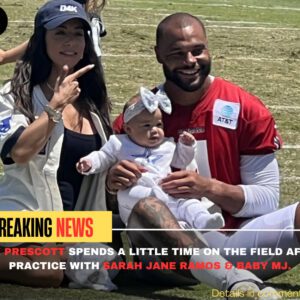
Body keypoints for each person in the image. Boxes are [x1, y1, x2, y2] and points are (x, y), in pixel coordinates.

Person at [108, 12, 300, 298]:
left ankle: (231, 275)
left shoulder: (245, 108)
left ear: (208, 47)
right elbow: (117, 207)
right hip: (167, 254)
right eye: (177, 53)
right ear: (158, 54)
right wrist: (111, 183)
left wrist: (208, 188)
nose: (189, 61)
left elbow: (267, 199)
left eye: (197, 50)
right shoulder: (137, 116)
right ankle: (233, 281)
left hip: (235, 243)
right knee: (147, 205)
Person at [0, 0, 116, 287]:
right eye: (60, 33)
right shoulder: (15, 95)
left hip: (76, 225)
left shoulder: (92, 98)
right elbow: (20, 152)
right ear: (41, 40)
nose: (70, 41)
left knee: (119, 266)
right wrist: (55, 107)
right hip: (24, 215)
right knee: (48, 273)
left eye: (78, 33)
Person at [76, 86, 225, 229]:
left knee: (187, 203)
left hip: (165, 190)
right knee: (131, 194)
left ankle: (203, 220)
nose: (155, 131)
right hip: (134, 193)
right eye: (146, 126)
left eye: (159, 124)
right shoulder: (119, 142)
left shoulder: (168, 145)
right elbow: (103, 156)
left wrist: (187, 146)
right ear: (128, 129)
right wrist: (90, 162)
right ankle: (165, 210)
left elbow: (181, 161)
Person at [0, 0, 107, 65]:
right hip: (94, 67)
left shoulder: (69, 6)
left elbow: (40, 41)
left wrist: (6, 56)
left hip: (79, 67)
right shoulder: (92, 10)